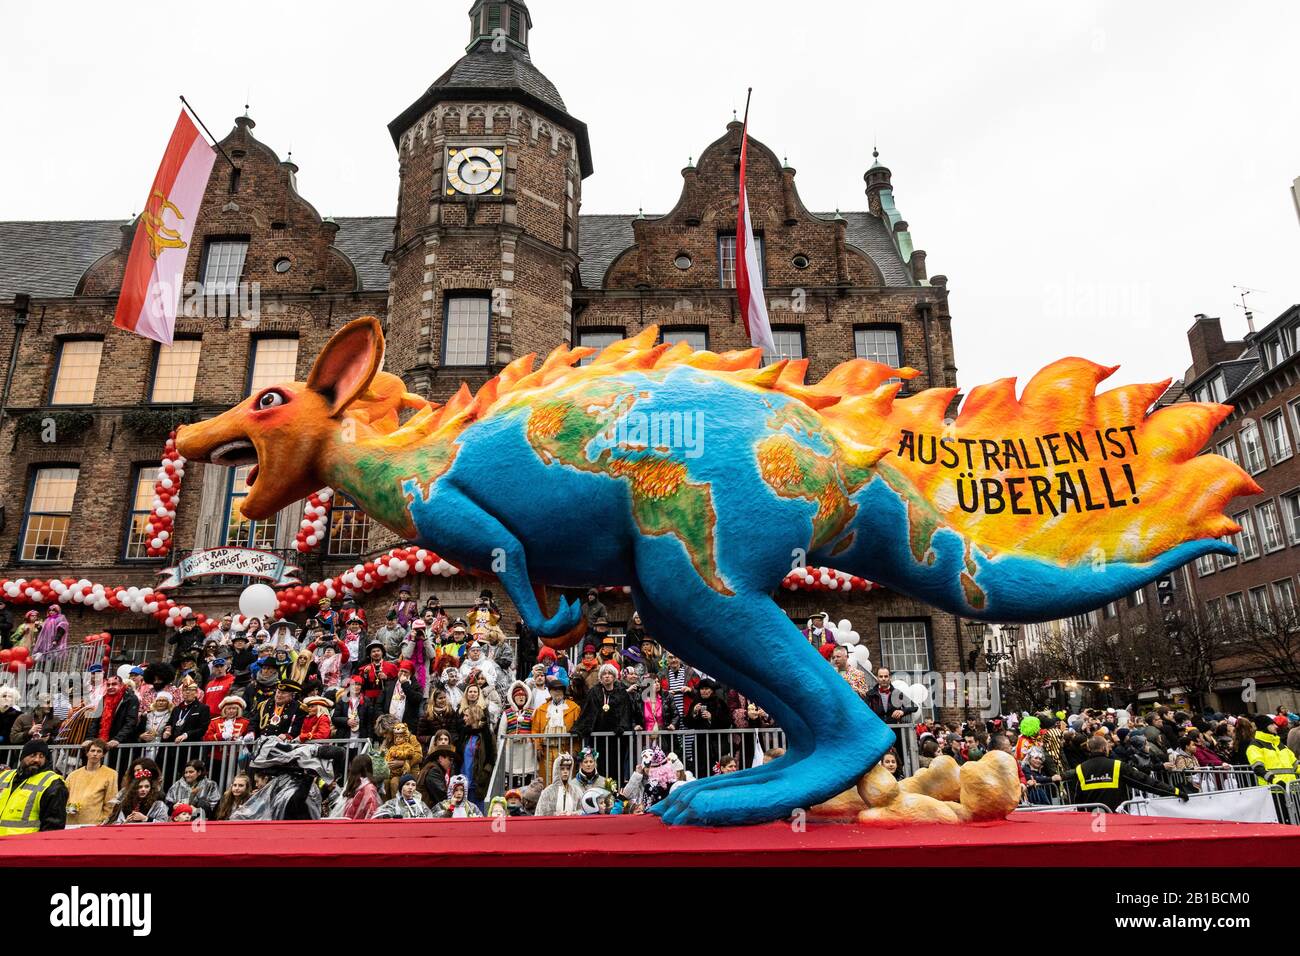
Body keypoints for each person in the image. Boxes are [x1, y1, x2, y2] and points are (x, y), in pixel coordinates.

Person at [1070, 735, 1190, 811]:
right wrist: (1175, 791)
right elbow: (1146, 782)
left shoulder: (1080, 768)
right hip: (1117, 817)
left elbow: (1076, 799)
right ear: (1104, 748)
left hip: (1092, 821)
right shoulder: (1117, 765)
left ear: (1089, 749)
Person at [575, 663, 636, 780]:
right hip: (598, 738)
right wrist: (582, 727)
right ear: (600, 677)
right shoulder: (594, 692)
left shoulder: (622, 692)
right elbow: (587, 711)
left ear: (614, 677)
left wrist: (622, 726)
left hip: (616, 738)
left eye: (609, 674)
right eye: (604, 674)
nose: (607, 676)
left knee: (616, 765)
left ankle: (615, 791)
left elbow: (626, 712)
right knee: (599, 765)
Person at [0, 739, 67, 835]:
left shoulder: (53, 783)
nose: (37, 760)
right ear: (22, 757)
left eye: (41, 756)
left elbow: (53, 828)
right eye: (33, 755)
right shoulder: (4, 776)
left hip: (24, 845)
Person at [65, 739, 119, 826]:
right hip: (71, 821)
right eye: (92, 751)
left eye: (99, 751)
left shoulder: (111, 774)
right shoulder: (73, 775)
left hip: (94, 823)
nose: (95, 754)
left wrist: (104, 819)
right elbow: (64, 795)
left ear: (103, 754)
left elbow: (110, 801)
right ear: (87, 753)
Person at [499, 680, 538, 785]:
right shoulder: (507, 713)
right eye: (518, 696)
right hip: (512, 748)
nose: (521, 698)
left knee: (527, 776)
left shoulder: (532, 712)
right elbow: (501, 732)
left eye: (523, 696)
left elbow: (535, 729)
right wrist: (500, 748)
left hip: (527, 748)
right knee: (512, 776)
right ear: (513, 698)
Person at [1245, 714, 1298, 786]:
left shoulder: (1280, 744)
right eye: (1272, 724)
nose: (1276, 726)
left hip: (1291, 788)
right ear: (1264, 726)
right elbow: (1258, 769)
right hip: (1272, 790)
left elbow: (1296, 765)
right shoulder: (1255, 746)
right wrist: (1274, 780)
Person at [104, 766, 169, 824]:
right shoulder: (126, 804)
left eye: (147, 786)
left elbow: (164, 824)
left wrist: (145, 818)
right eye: (140, 787)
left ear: (151, 788)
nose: (143, 789)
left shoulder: (159, 805)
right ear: (135, 789)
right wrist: (126, 822)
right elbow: (116, 823)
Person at [417, 742, 458, 807]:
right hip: (428, 811)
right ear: (441, 758)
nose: (451, 763)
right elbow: (442, 796)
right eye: (450, 759)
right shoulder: (434, 771)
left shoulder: (433, 767)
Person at [342, 755, 381, 820]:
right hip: (362, 826)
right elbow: (371, 812)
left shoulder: (352, 785)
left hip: (348, 824)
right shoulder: (368, 788)